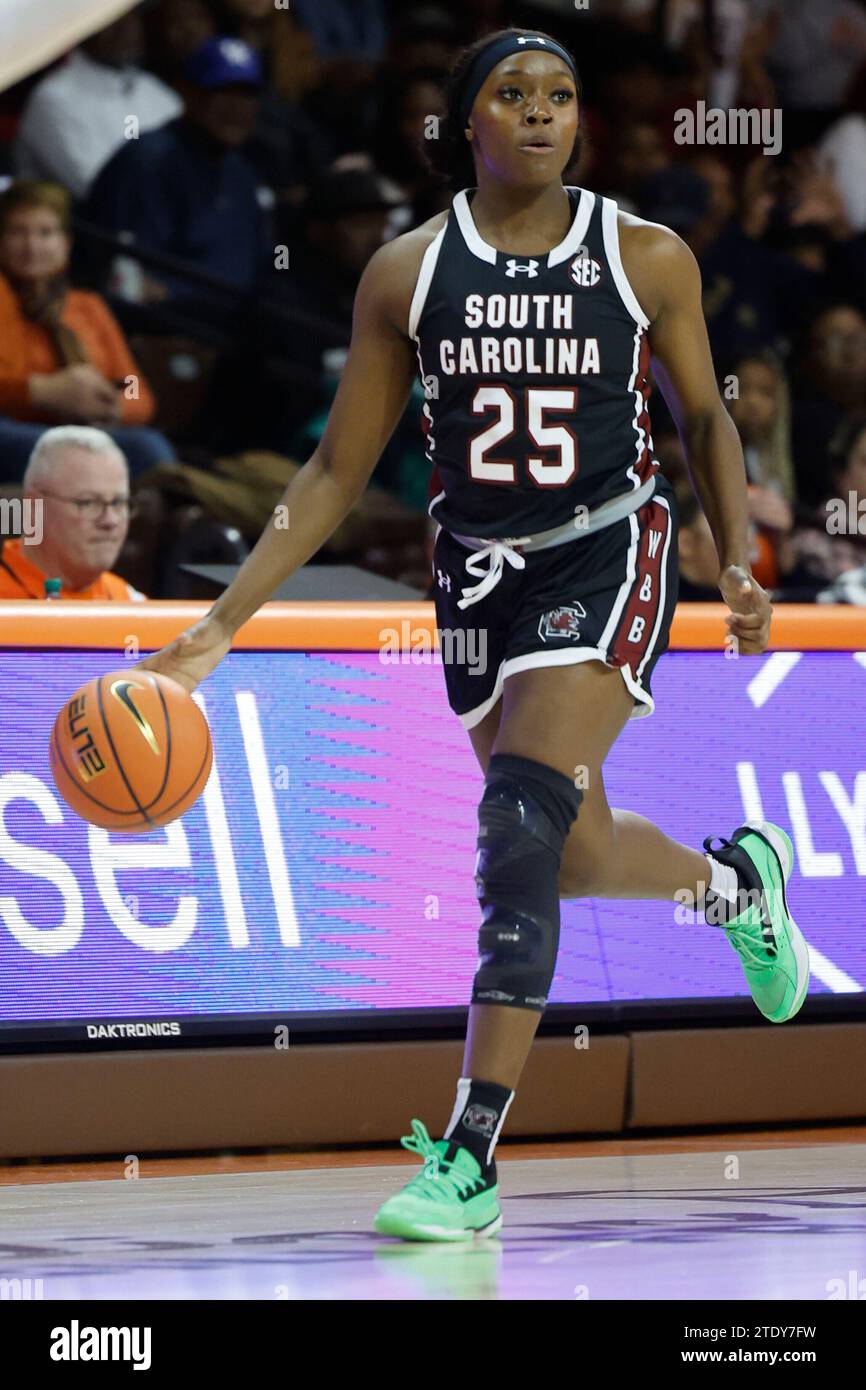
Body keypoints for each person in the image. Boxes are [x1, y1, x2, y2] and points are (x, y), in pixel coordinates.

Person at [137, 27, 810, 1243]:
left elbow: (703, 413)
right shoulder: (405, 271)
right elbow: (339, 467)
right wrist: (217, 625)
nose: (543, 114)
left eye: (560, 96)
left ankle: (470, 1151)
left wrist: (740, 566)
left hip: (609, 549)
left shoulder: (643, 255)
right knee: (567, 853)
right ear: (466, 124)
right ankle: (736, 889)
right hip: (477, 581)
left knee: (516, 823)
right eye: (513, 95)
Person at [84, 37, 272, 328]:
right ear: (187, 94)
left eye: (247, 94)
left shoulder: (242, 172)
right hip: (171, 333)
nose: (237, 107)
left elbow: (260, 269)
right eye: (221, 91)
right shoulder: (148, 161)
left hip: (238, 331)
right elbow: (133, 282)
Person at [0, 180, 174, 481]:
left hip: (88, 430)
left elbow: (133, 384)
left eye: (45, 233)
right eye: (18, 232)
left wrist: (112, 406)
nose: (32, 246)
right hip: (16, 427)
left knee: (149, 447)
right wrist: (44, 392)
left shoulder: (87, 306)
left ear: (65, 244)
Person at [14, 7, 182, 199]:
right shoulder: (55, 97)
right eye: (111, 19)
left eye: (130, 17)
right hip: (81, 224)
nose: (124, 28)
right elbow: (97, 187)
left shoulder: (151, 89)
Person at [0, 426, 145, 599]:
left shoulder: (129, 602)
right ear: (34, 505)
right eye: (88, 503)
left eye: (118, 502)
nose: (110, 520)